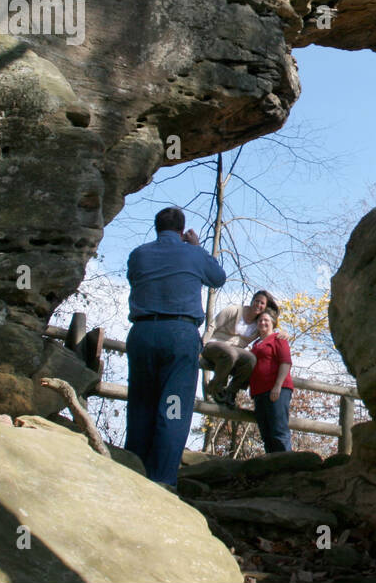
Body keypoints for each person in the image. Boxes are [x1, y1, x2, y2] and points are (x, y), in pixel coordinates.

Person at [124, 206, 225, 487]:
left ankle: (132, 474)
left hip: (142, 332)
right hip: (179, 334)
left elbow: (135, 278)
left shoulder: (139, 254)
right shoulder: (192, 253)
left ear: (157, 227)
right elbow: (218, 277)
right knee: (173, 408)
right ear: (182, 230)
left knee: (141, 405)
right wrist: (197, 247)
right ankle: (162, 482)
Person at [201, 290, 280, 409]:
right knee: (231, 354)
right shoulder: (235, 310)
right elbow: (213, 326)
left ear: (265, 307)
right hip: (214, 345)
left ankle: (231, 392)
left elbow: (270, 330)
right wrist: (201, 346)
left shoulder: (259, 323)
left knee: (251, 359)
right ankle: (215, 387)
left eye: (262, 303)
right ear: (252, 301)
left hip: (234, 352)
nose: (258, 305)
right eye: (256, 301)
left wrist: (282, 333)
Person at [248, 309, 294, 453]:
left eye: (266, 320)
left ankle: (287, 468)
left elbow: (285, 362)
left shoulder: (278, 338)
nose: (262, 323)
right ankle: (272, 469)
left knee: (279, 431)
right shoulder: (255, 344)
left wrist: (278, 386)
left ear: (273, 323)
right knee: (266, 434)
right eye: (260, 320)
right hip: (259, 392)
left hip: (276, 389)